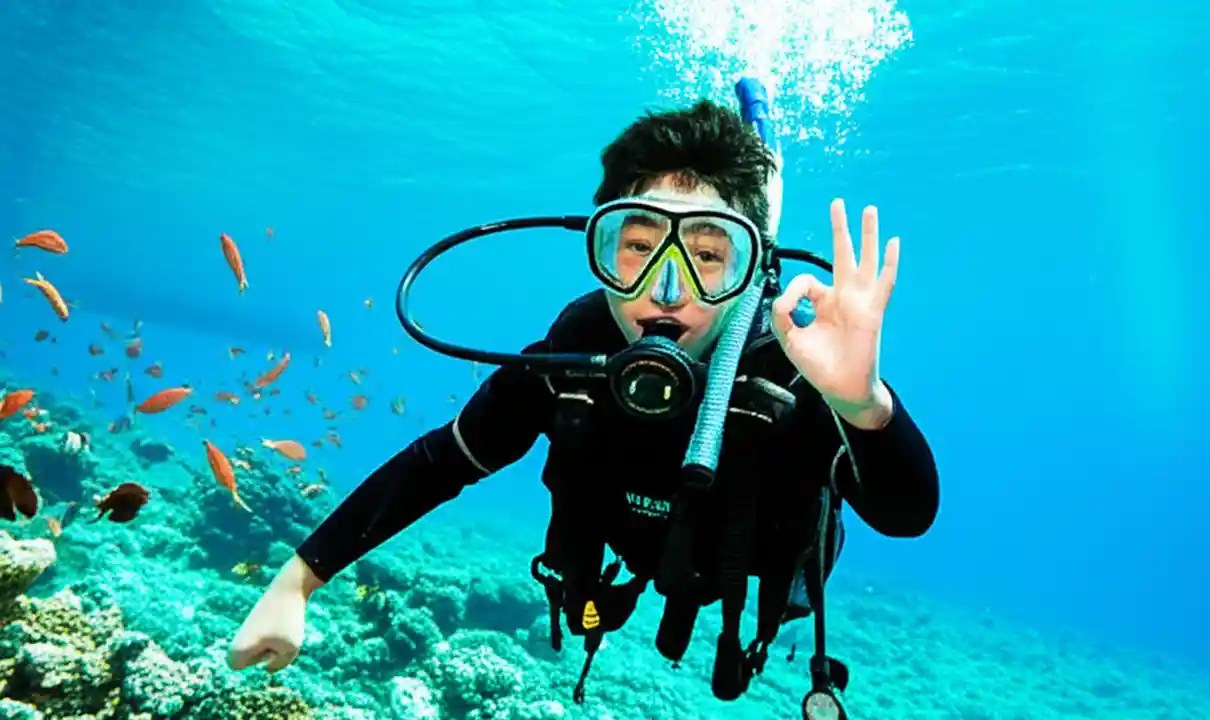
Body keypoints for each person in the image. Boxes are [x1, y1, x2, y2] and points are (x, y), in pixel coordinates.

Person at [228, 92, 939, 718]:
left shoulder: (793, 367)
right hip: (623, 557)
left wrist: (862, 403)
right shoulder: (575, 350)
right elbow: (443, 460)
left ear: (749, 272)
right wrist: (299, 580)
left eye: (708, 255)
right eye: (636, 247)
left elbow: (906, 515)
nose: (666, 290)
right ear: (600, 249)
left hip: (756, 559)